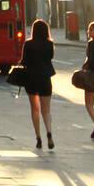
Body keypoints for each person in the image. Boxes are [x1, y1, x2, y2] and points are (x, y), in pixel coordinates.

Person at [20, 18, 56, 149]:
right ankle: (49, 132)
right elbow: (50, 57)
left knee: (34, 109)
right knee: (46, 110)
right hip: (45, 78)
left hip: (31, 79)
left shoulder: (28, 44)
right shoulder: (49, 44)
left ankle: (38, 138)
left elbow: (24, 61)